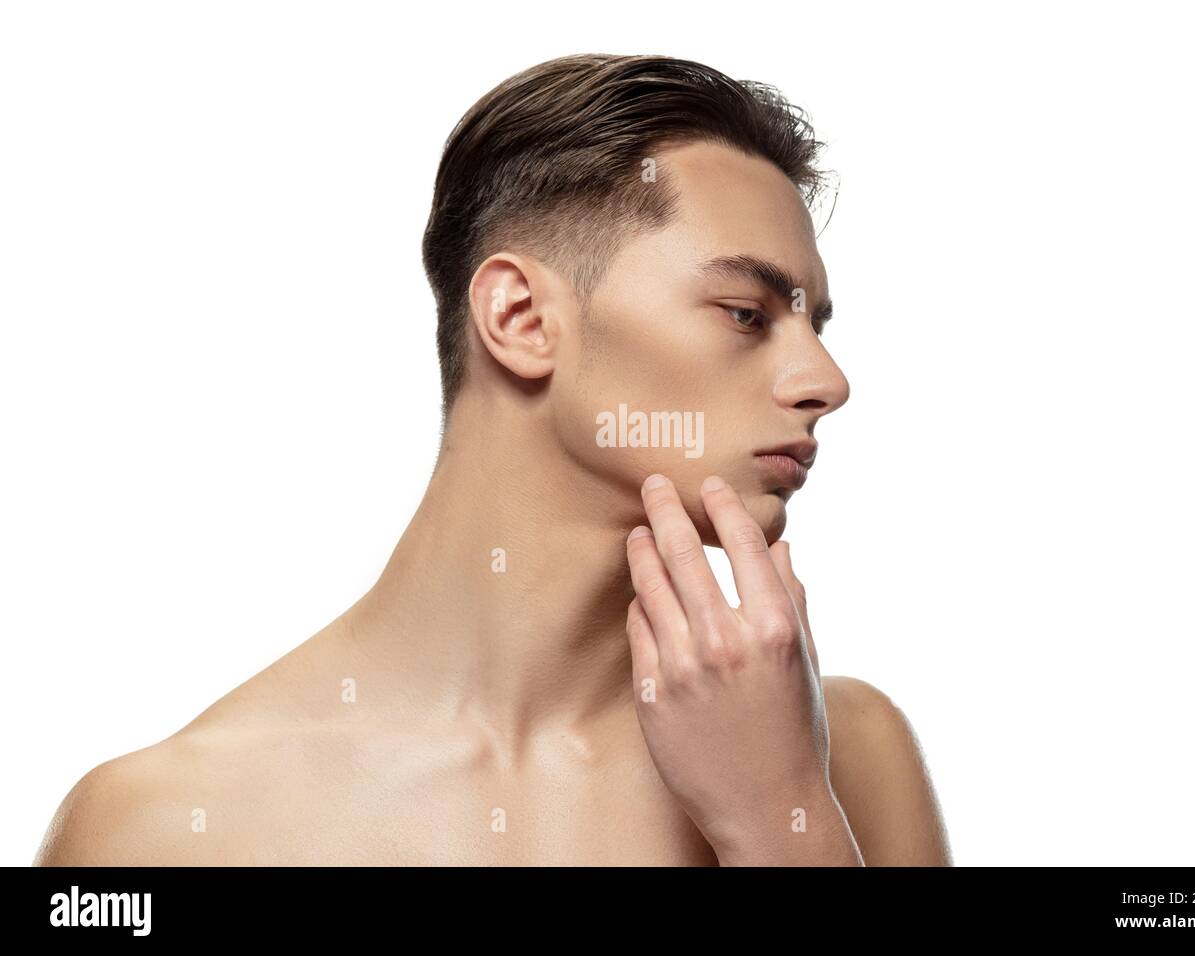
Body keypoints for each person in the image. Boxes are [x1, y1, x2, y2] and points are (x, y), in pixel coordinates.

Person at [34, 53, 951, 866]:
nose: (824, 380)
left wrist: (781, 819)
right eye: (748, 314)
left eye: (813, 324)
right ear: (519, 320)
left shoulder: (845, 757)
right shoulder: (164, 827)